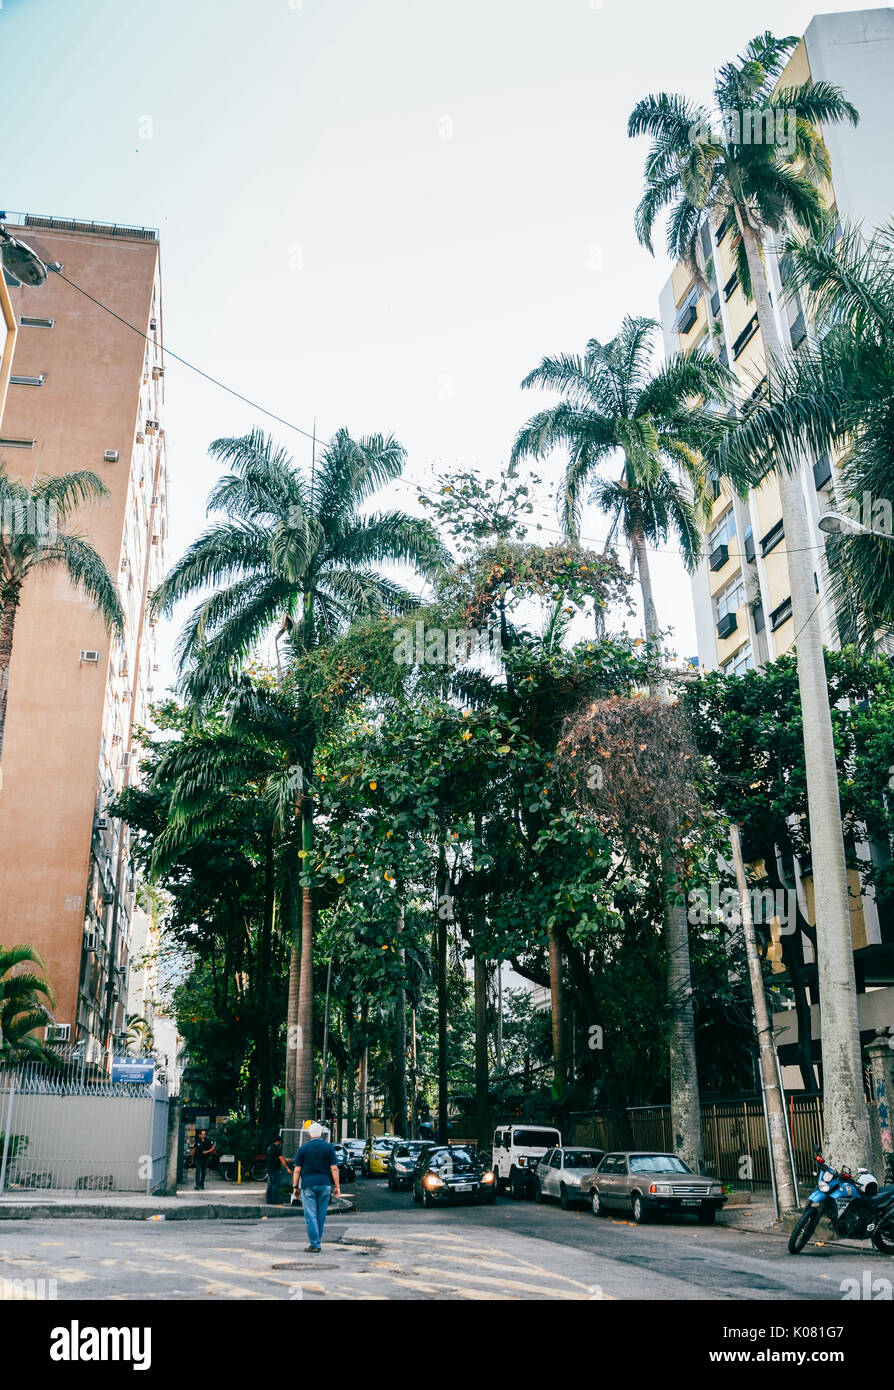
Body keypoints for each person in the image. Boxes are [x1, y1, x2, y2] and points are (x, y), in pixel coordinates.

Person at [292, 1122, 340, 1252]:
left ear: (309, 1134)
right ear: (322, 1133)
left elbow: (297, 1170)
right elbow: (334, 1169)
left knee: (310, 1215)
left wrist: (295, 1187)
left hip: (308, 1185)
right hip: (325, 1185)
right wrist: (337, 1186)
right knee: (321, 1215)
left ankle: (315, 1244)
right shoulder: (329, 1148)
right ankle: (317, 1241)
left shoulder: (303, 1148)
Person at [266, 1134, 292, 1204]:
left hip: (270, 1169)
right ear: (277, 1141)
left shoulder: (269, 1148)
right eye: (280, 1142)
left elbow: (275, 1157)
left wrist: (285, 1159)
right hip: (275, 1169)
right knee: (275, 1185)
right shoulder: (277, 1149)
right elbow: (280, 1159)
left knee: (270, 1185)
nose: (280, 1143)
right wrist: (287, 1168)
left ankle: (269, 1200)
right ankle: (275, 1200)